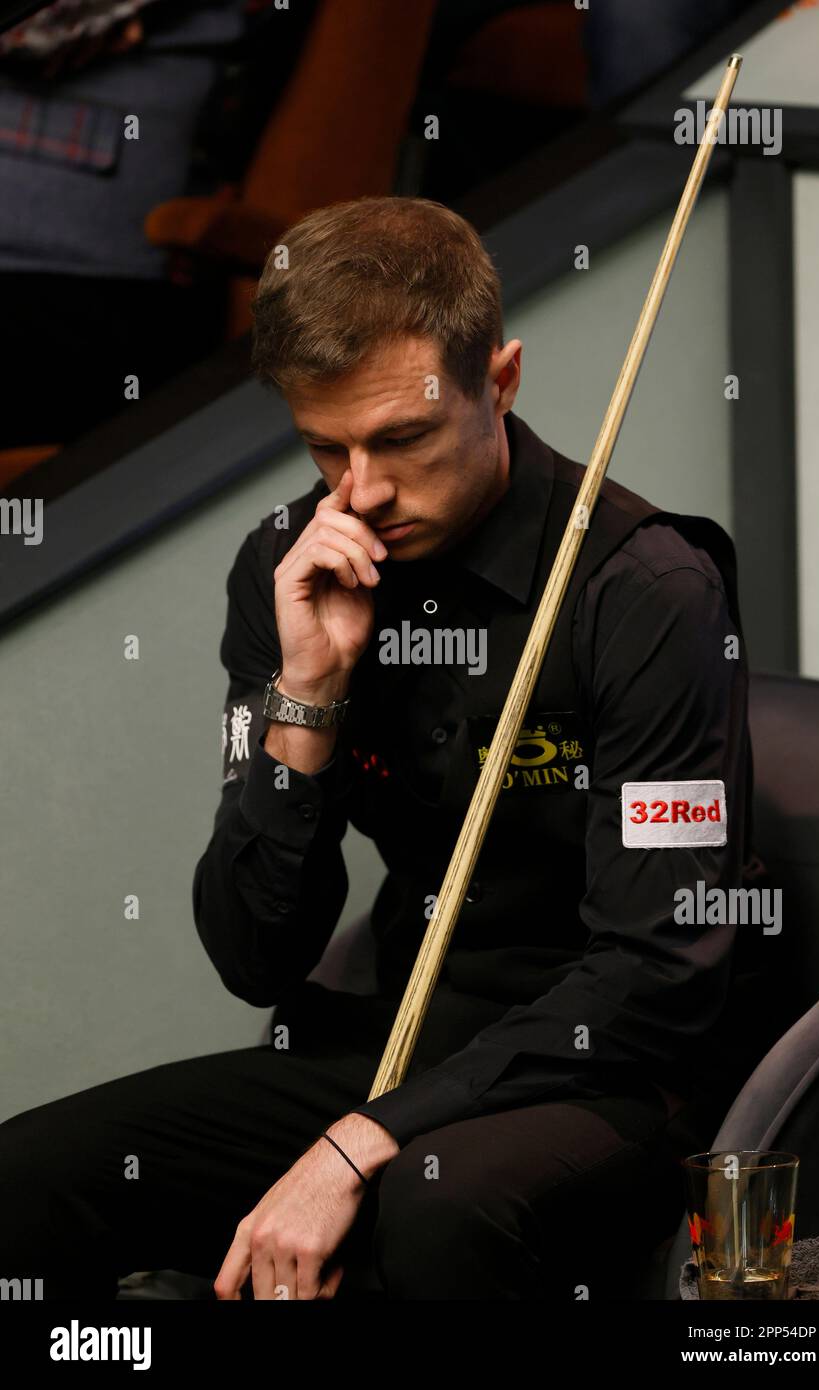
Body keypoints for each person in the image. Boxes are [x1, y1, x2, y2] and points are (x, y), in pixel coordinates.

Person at [0, 195, 779, 1301]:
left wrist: (361, 1139)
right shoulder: (289, 569)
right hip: (383, 1048)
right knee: (28, 1183)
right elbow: (253, 956)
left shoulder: (648, 588)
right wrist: (307, 689)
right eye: (326, 448)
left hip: (600, 1076)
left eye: (401, 438)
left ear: (498, 381)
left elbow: (658, 974)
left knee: (430, 1203)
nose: (360, 491)